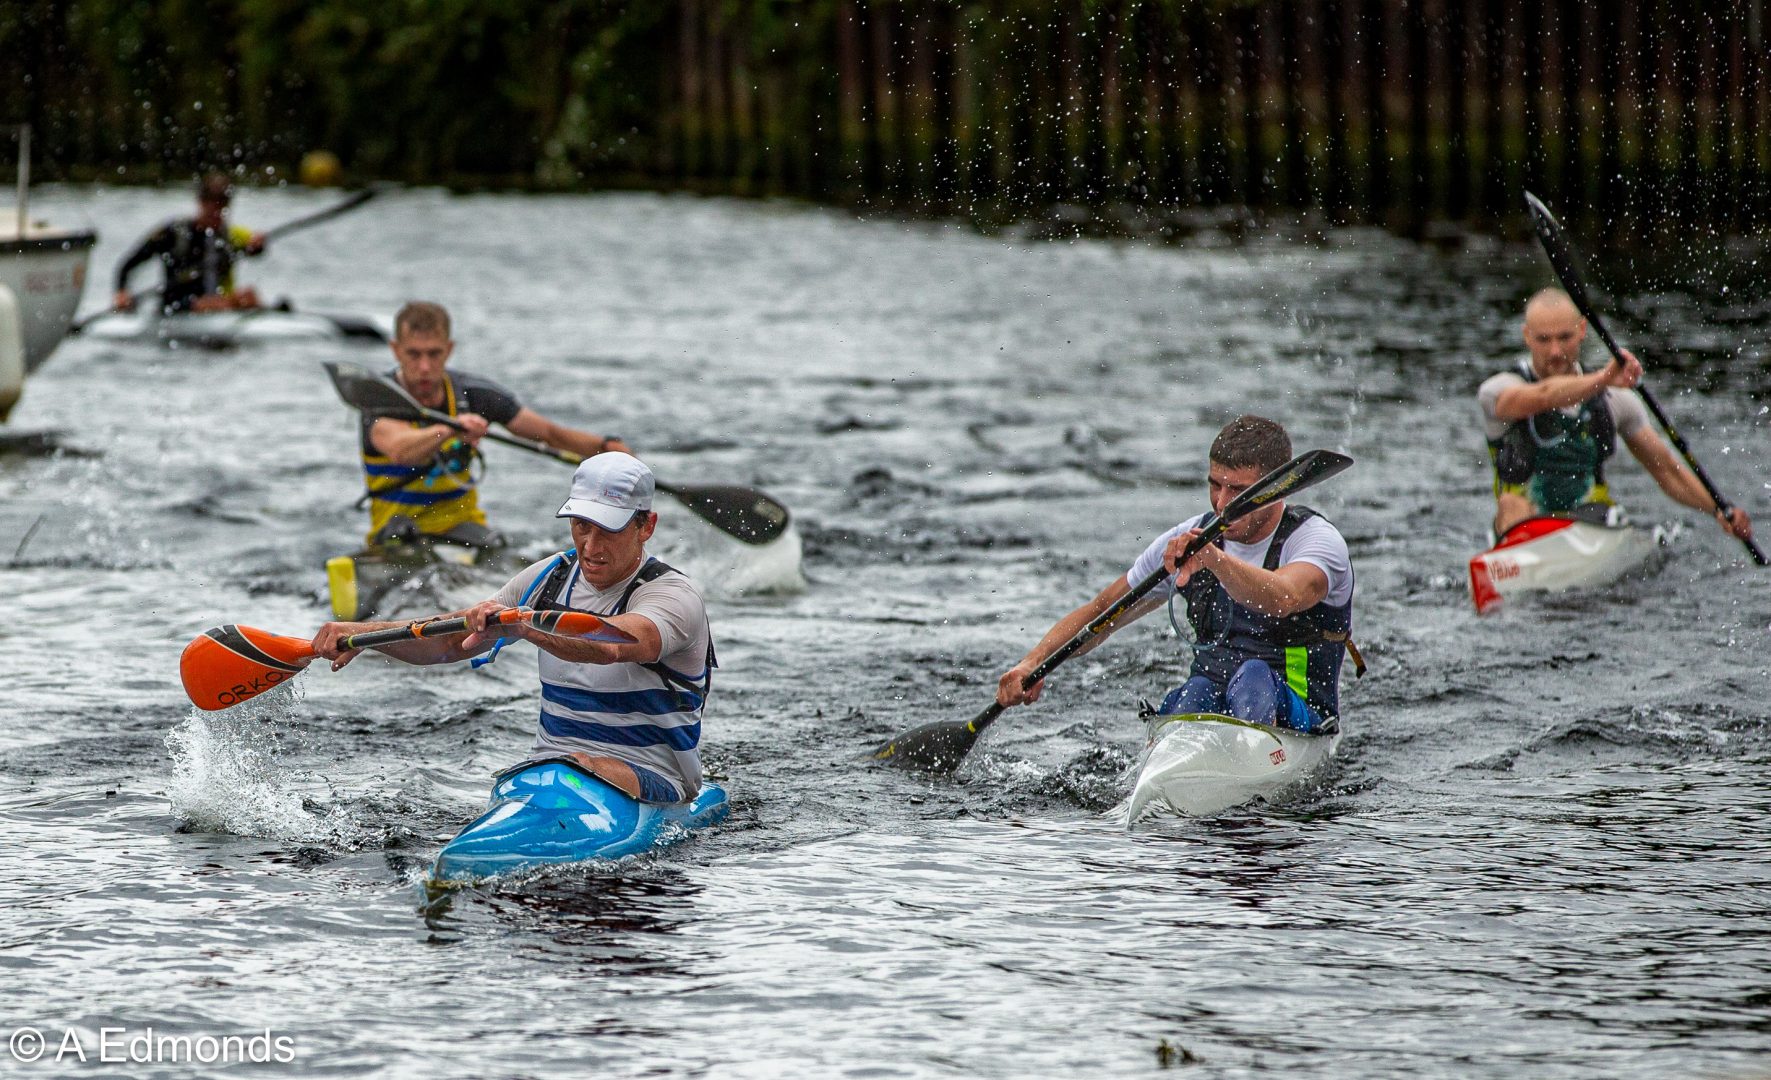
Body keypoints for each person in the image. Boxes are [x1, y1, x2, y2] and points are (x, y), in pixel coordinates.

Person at [313, 452, 716, 804]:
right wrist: (367, 634)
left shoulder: (673, 597)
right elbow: (450, 643)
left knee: (570, 768)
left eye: (609, 530)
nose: (591, 547)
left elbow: (614, 643)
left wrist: (525, 626)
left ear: (646, 526)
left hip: (654, 779)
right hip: (552, 770)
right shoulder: (549, 578)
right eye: (581, 526)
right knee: (558, 770)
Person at [996, 416, 1356, 734]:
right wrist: (1033, 663)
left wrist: (1215, 560)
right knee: (1193, 693)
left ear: (1277, 490)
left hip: (1299, 712)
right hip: (1212, 698)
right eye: (1215, 485)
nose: (1221, 503)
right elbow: (1102, 612)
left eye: (1238, 490)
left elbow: (1283, 598)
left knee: (1254, 678)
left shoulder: (1316, 543)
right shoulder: (1186, 539)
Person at [1478, 288, 1753, 541]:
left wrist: (1720, 510)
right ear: (1527, 336)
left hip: (1592, 522)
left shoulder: (1615, 400)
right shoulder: (1497, 391)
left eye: (1564, 337)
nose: (1555, 351)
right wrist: (1603, 378)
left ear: (1582, 330)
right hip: (1522, 527)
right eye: (1543, 339)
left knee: (1604, 514)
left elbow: (1667, 471)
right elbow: (1543, 396)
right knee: (1510, 505)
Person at [360, 300, 631, 548]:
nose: (424, 367)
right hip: (397, 535)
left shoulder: (475, 395)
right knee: (399, 541)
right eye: (414, 354)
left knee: (499, 551)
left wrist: (605, 448)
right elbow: (401, 449)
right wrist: (452, 428)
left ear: (449, 350)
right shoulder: (378, 399)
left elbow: (548, 434)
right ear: (395, 350)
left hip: (463, 531)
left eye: (434, 354)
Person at [113, 173, 266, 314]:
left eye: (222, 208)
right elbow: (128, 265)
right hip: (176, 306)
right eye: (213, 208)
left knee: (248, 296)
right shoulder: (173, 233)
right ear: (201, 203)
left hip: (217, 304)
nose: (218, 215)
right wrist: (121, 292)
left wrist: (258, 245)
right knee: (214, 303)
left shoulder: (230, 235)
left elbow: (253, 249)